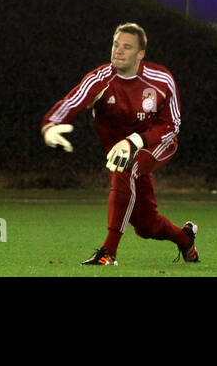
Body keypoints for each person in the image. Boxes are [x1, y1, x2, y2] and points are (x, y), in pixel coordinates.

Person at [40, 22, 199, 266]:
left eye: (127, 47)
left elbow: (172, 126)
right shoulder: (101, 79)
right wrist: (50, 125)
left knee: (125, 164)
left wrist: (135, 140)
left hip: (159, 143)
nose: (118, 51)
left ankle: (108, 253)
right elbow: (72, 102)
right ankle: (184, 237)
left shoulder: (161, 79)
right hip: (122, 151)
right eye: (116, 45)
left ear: (140, 54)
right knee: (146, 225)